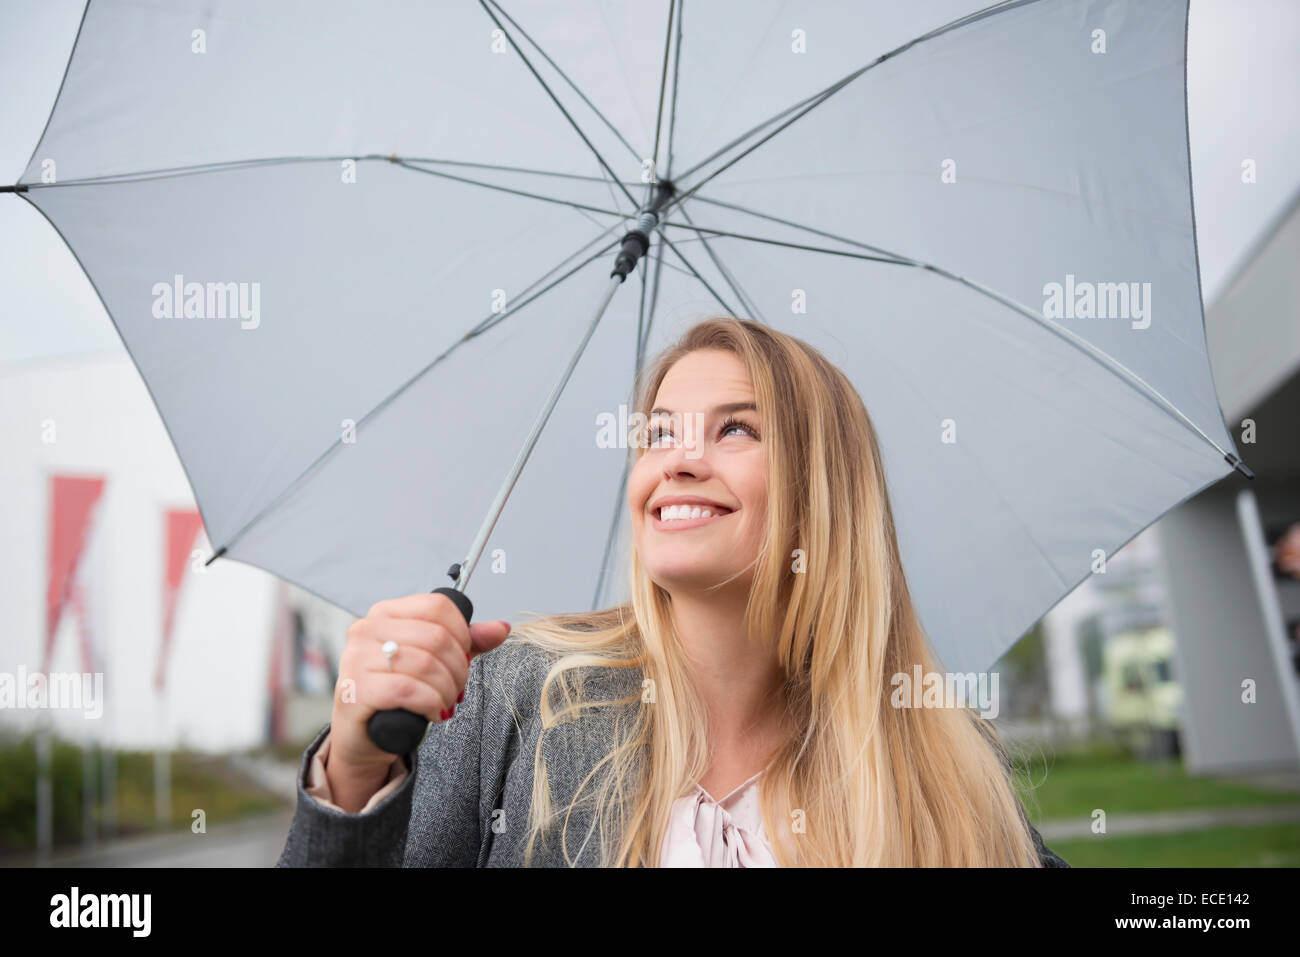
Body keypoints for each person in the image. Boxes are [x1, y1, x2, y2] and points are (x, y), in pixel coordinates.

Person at [277, 317, 1069, 867]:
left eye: (735, 429)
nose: (675, 462)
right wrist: (353, 770)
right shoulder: (507, 692)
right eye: (658, 432)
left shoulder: (931, 759)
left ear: (823, 492)